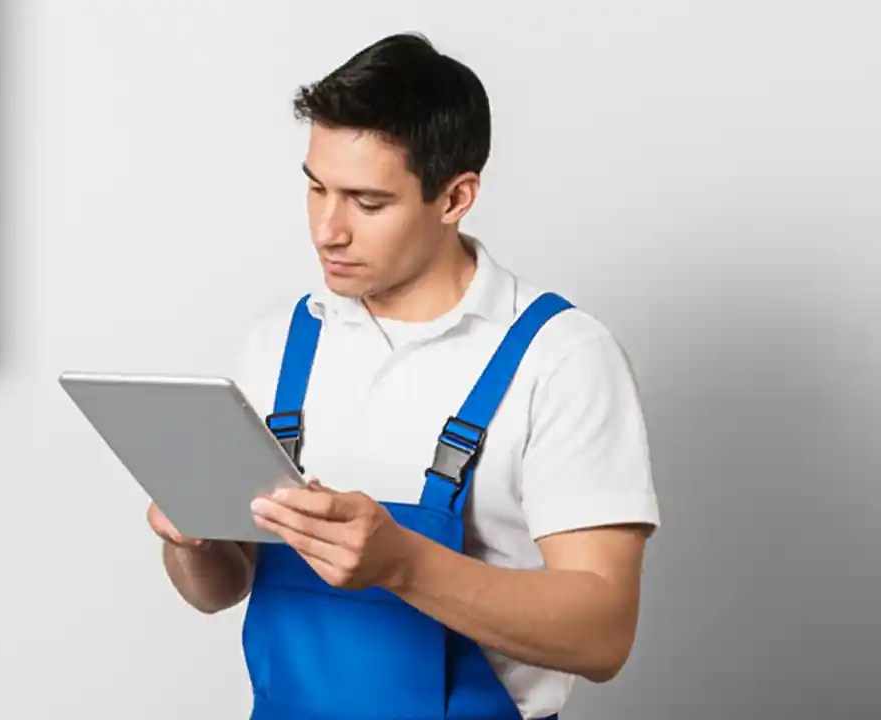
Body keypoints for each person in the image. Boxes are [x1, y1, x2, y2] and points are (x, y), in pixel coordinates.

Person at [147, 32, 659, 720]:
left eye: (367, 202)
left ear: (454, 198)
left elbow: (603, 636)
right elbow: (220, 589)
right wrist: (191, 541)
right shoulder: (282, 340)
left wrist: (401, 564)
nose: (327, 230)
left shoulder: (560, 357)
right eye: (316, 188)